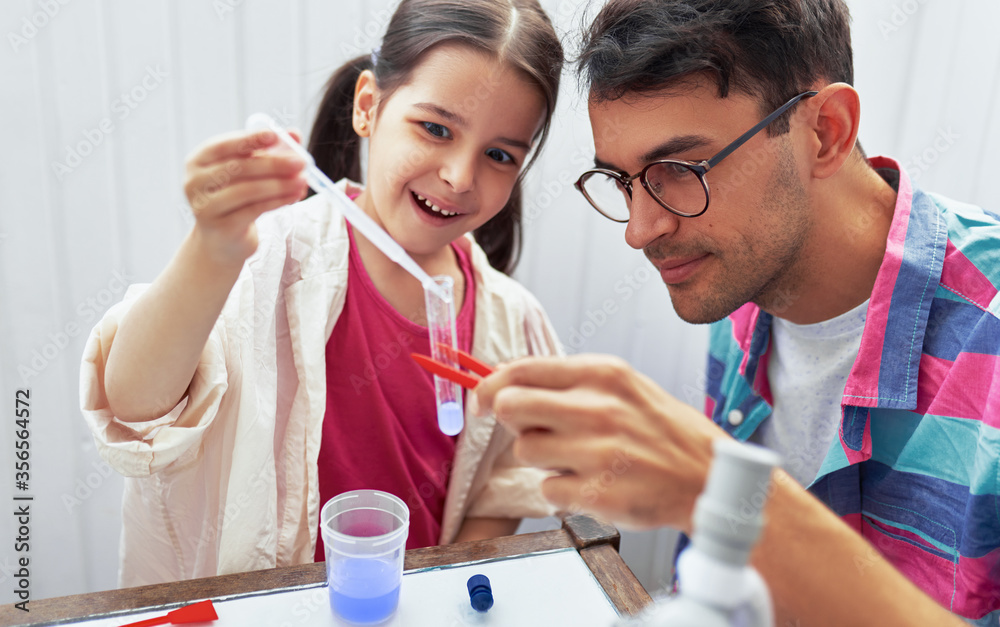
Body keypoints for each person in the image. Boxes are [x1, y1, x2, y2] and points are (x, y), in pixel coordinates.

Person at [474, 1, 998, 625]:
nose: (640, 230)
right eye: (622, 180)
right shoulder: (741, 286)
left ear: (825, 131)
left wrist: (718, 489)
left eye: (679, 170)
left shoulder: (986, 341)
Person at [79, 0, 565, 586]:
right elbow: (134, 406)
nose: (461, 176)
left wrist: (434, 593)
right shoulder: (268, 260)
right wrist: (211, 248)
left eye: (499, 155)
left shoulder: (513, 322)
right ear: (368, 107)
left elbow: (502, 486)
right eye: (435, 128)